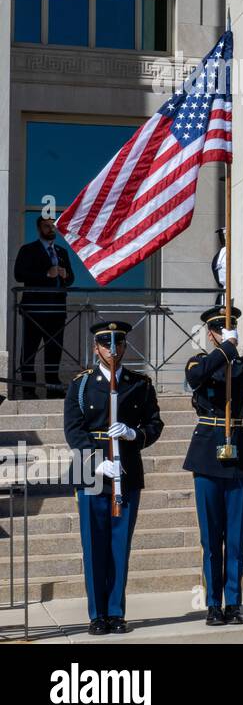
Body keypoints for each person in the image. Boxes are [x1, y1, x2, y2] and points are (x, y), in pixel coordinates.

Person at [63, 320, 164, 635]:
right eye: (106, 344)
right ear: (96, 348)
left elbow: (155, 423)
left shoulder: (139, 384)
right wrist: (95, 462)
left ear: (124, 347)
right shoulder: (81, 385)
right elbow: (73, 429)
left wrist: (135, 433)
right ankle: (97, 615)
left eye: (118, 344)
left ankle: (116, 612)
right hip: (91, 471)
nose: (112, 349)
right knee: (94, 545)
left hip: (126, 471)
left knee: (120, 545)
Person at [183, 306, 243, 626]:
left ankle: (233, 602)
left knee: (236, 538)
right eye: (220, 330)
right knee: (211, 538)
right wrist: (225, 350)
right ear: (211, 334)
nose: (225, 333)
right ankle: (212, 603)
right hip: (208, 454)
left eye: (229, 329)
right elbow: (196, 377)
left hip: (241, 454)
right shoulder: (200, 363)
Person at [15, 215, 75, 399]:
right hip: (34, 309)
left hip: (56, 309)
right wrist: (46, 274)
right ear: (39, 228)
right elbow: (19, 274)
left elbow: (71, 279)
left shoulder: (61, 251)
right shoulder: (28, 250)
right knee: (30, 350)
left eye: (53, 226)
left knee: (54, 350)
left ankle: (53, 387)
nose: (51, 229)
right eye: (46, 226)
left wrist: (65, 275)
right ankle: (28, 388)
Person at [211, 227, 227, 305]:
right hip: (223, 290)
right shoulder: (220, 254)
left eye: (222, 235)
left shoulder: (224, 252)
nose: (221, 238)